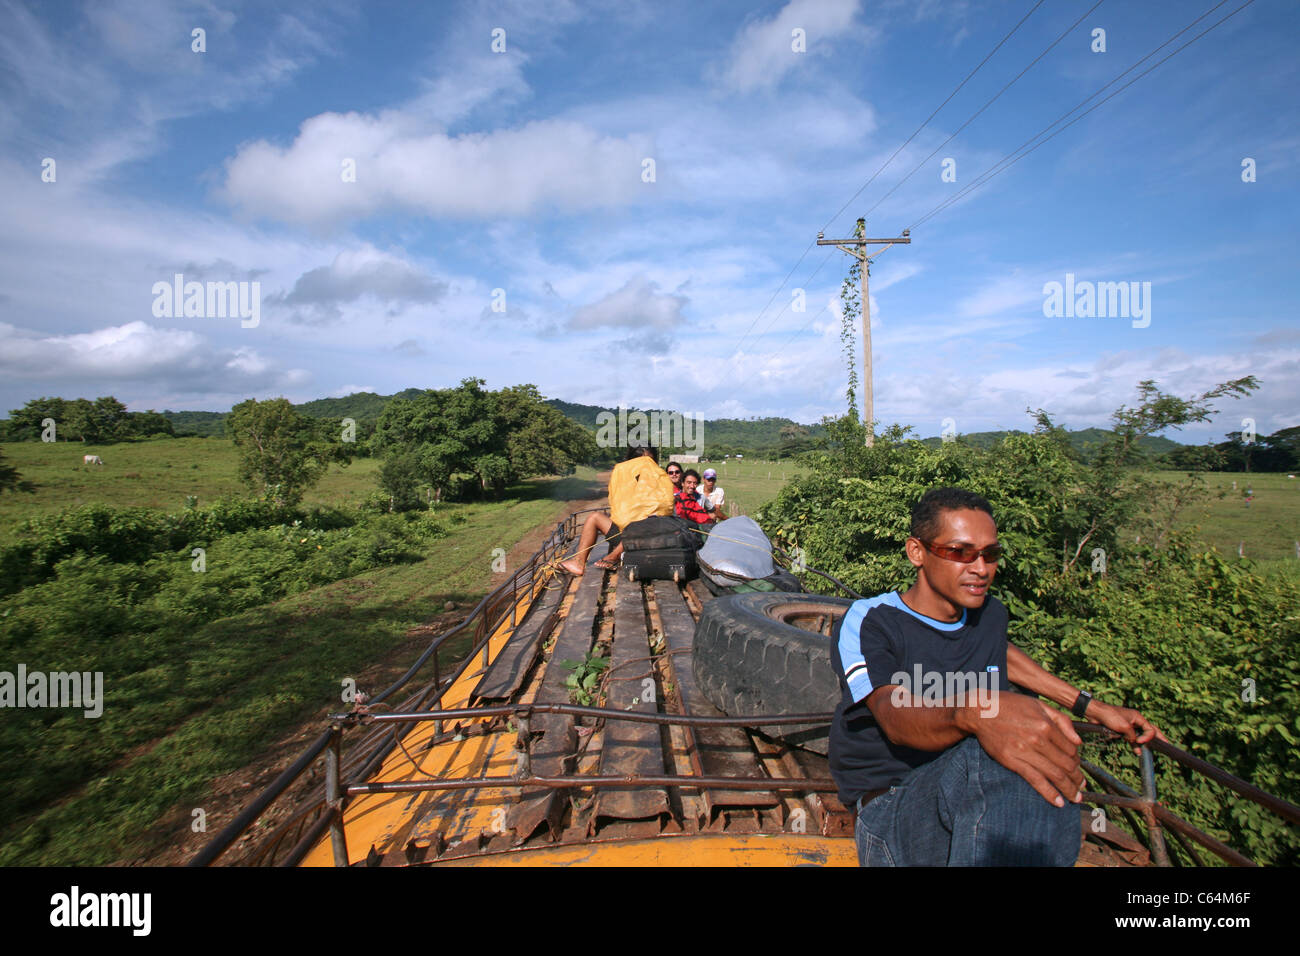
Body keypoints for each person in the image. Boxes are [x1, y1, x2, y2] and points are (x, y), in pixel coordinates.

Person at [831, 486, 1165, 866]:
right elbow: (893, 716)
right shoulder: (870, 621)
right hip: (894, 809)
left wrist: (1090, 705)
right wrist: (973, 711)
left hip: (978, 803)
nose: (981, 568)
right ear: (917, 552)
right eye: (960, 552)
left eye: (990, 554)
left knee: (1040, 758)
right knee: (996, 750)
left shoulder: (988, 616)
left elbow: (1003, 653)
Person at [559, 446, 674, 576]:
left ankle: (614, 556)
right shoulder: (623, 477)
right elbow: (619, 505)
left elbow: (665, 508)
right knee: (594, 517)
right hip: (622, 534)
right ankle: (578, 562)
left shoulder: (660, 478)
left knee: (646, 522)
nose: (644, 464)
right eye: (639, 460)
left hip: (647, 538)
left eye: (648, 460)